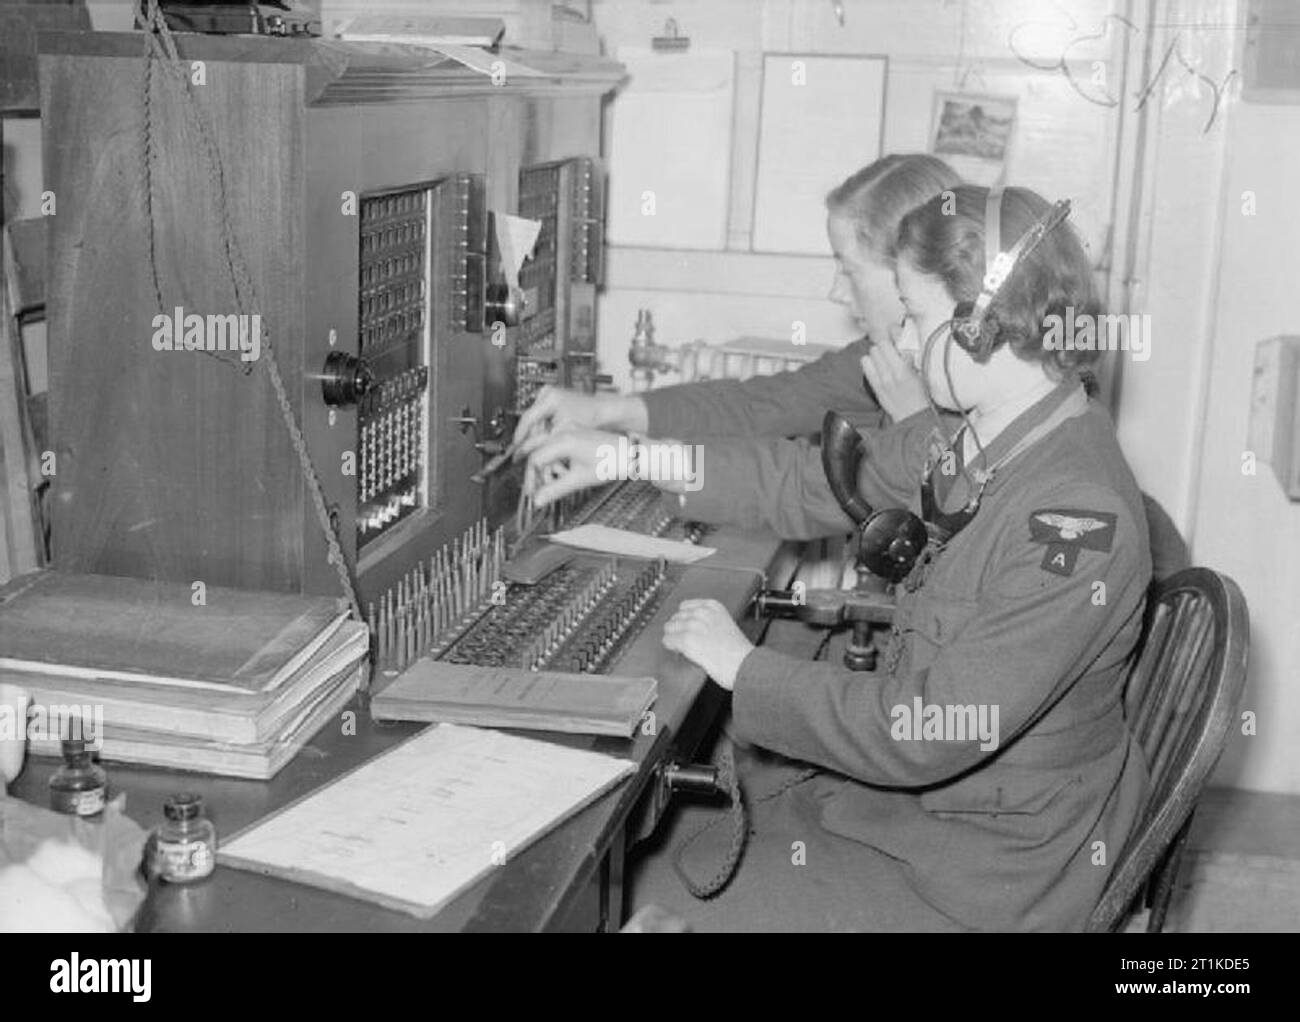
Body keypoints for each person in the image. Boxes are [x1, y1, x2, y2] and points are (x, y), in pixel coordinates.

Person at [624, 185, 1153, 931]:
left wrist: (746, 669)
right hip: (911, 812)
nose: (903, 342)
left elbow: (935, 729)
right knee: (653, 856)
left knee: (638, 897)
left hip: (982, 875)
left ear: (980, 325)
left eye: (915, 315)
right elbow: (809, 482)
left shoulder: (1077, 519)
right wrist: (627, 457)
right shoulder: (981, 433)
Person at [512, 154, 961, 452]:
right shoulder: (882, 361)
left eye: (849, 269)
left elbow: (804, 486)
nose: (837, 292)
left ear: (910, 271)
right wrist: (607, 411)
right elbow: (760, 404)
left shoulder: (966, 389)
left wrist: (917, 427)